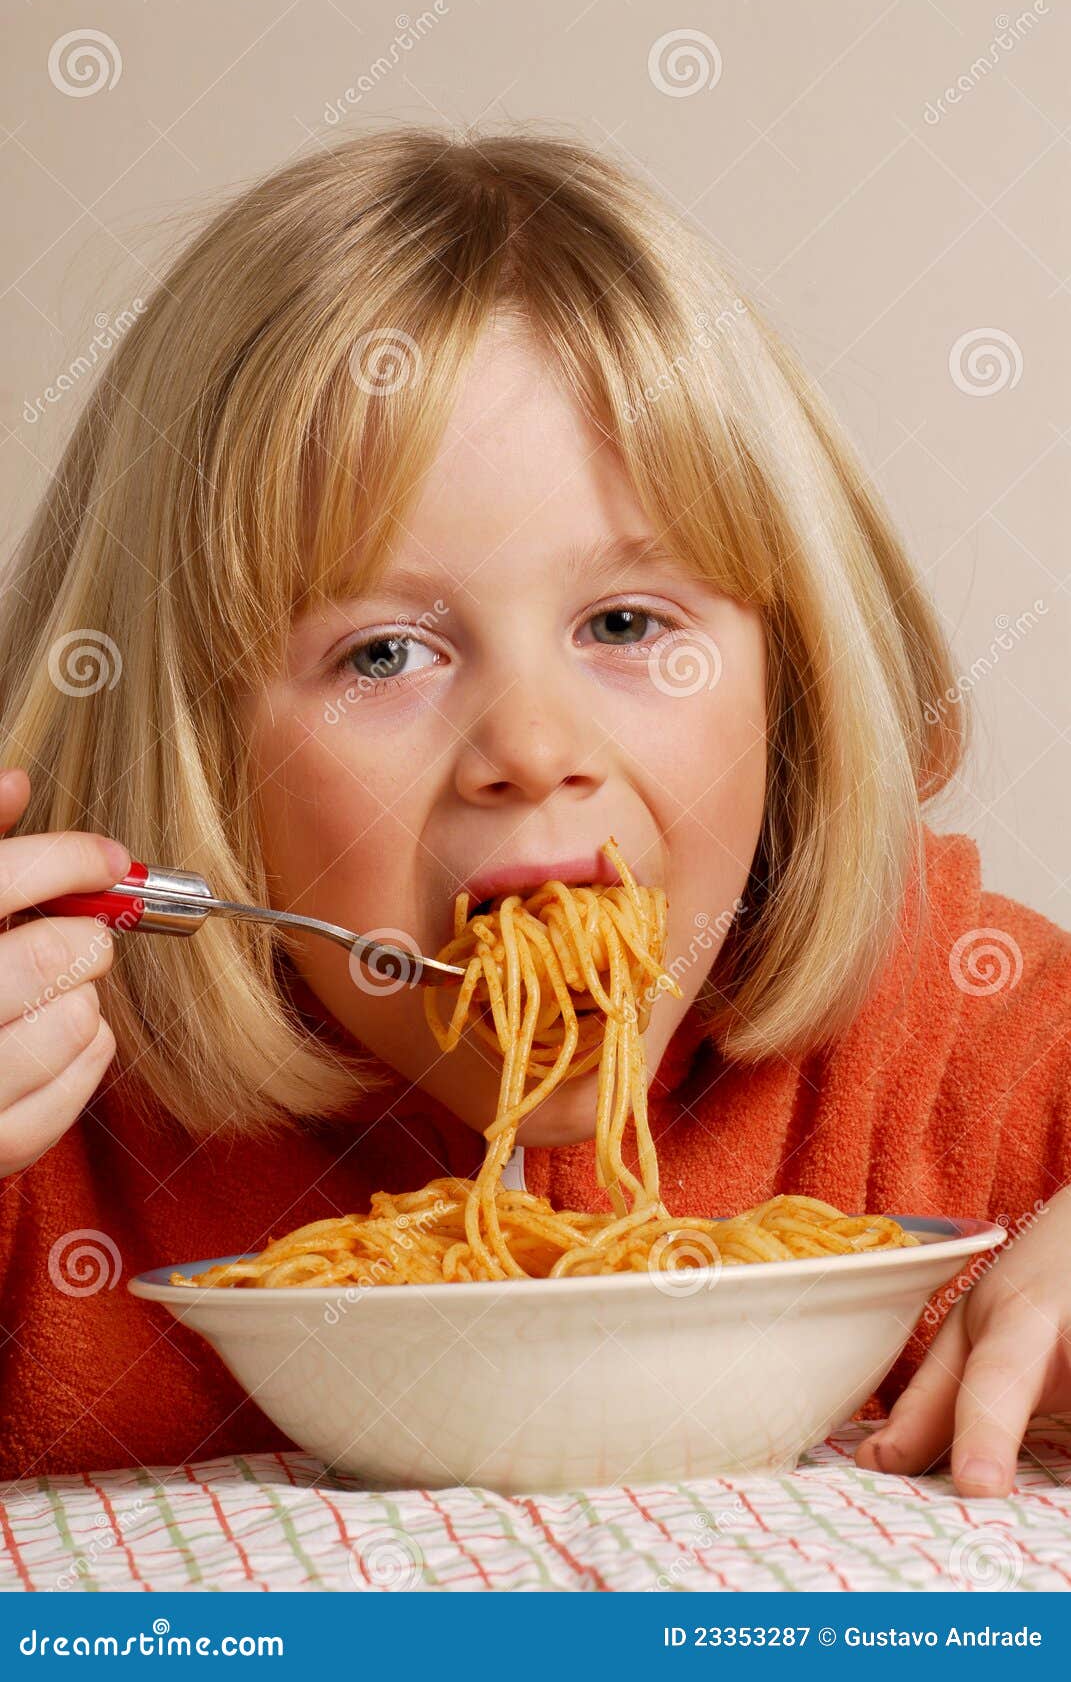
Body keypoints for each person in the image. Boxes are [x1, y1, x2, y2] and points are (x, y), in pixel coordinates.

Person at [0, 128, 1067, 1493]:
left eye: (626, 622)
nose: (532, 748)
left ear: (789, 678)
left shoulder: (945, 1031)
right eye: (382, 652)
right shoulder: (55, 1130)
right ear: (191, 749)